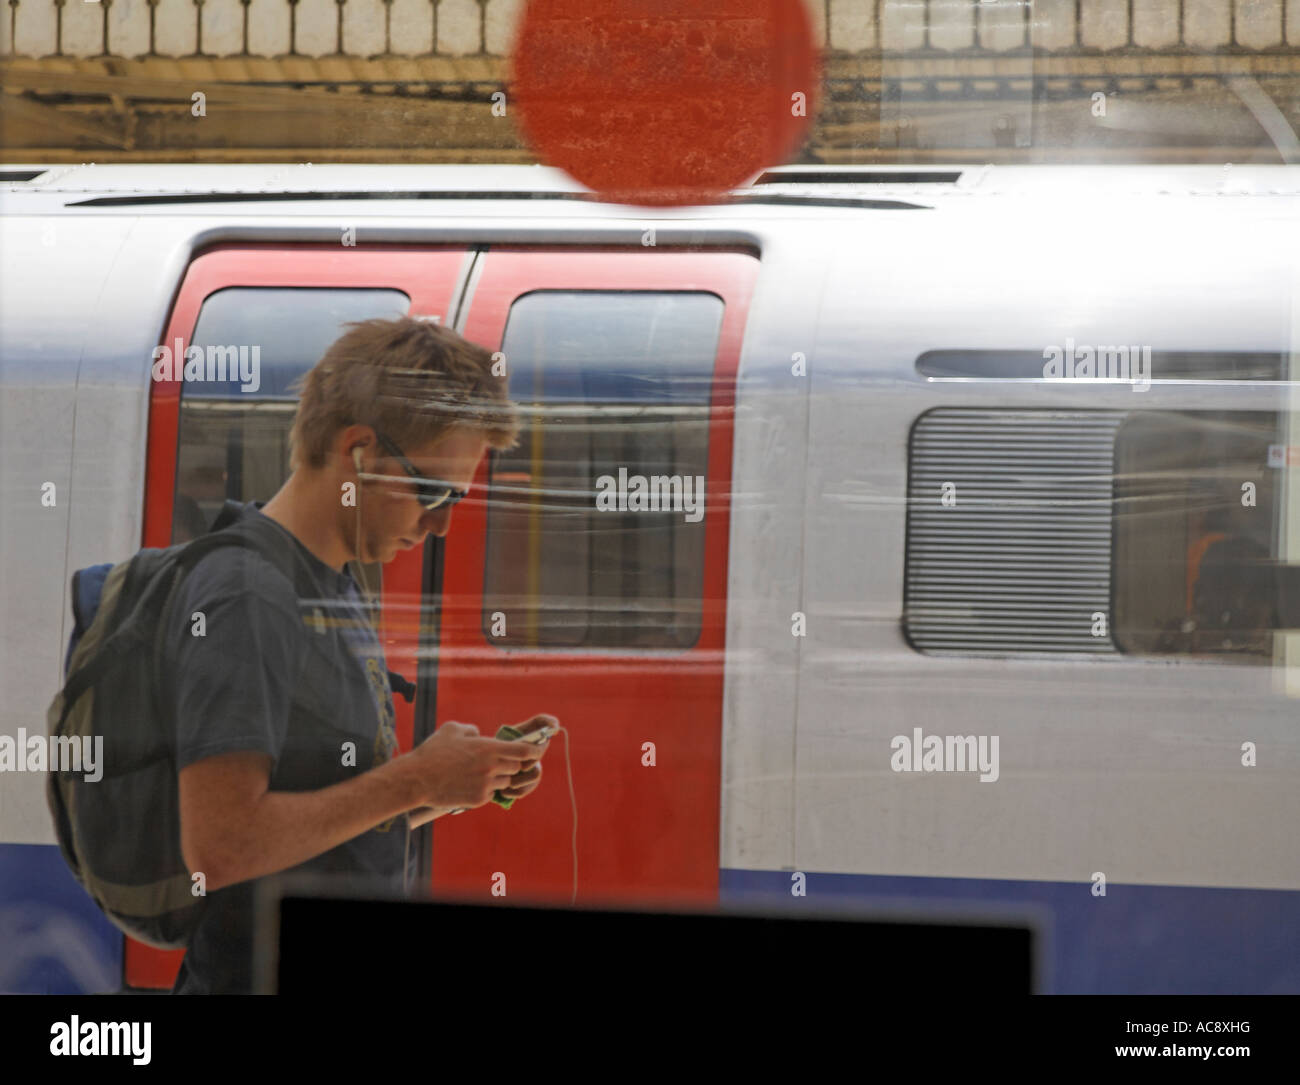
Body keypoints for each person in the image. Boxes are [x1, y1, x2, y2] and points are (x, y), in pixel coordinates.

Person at [165, 316, 554, 994]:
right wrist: (416, 779)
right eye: (434, 492)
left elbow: (330, 822)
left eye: (458, 499)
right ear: (359, 453)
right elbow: (221, 846)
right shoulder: (247, 595)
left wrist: (457, 781)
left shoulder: (335, 583)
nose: (441, 525)